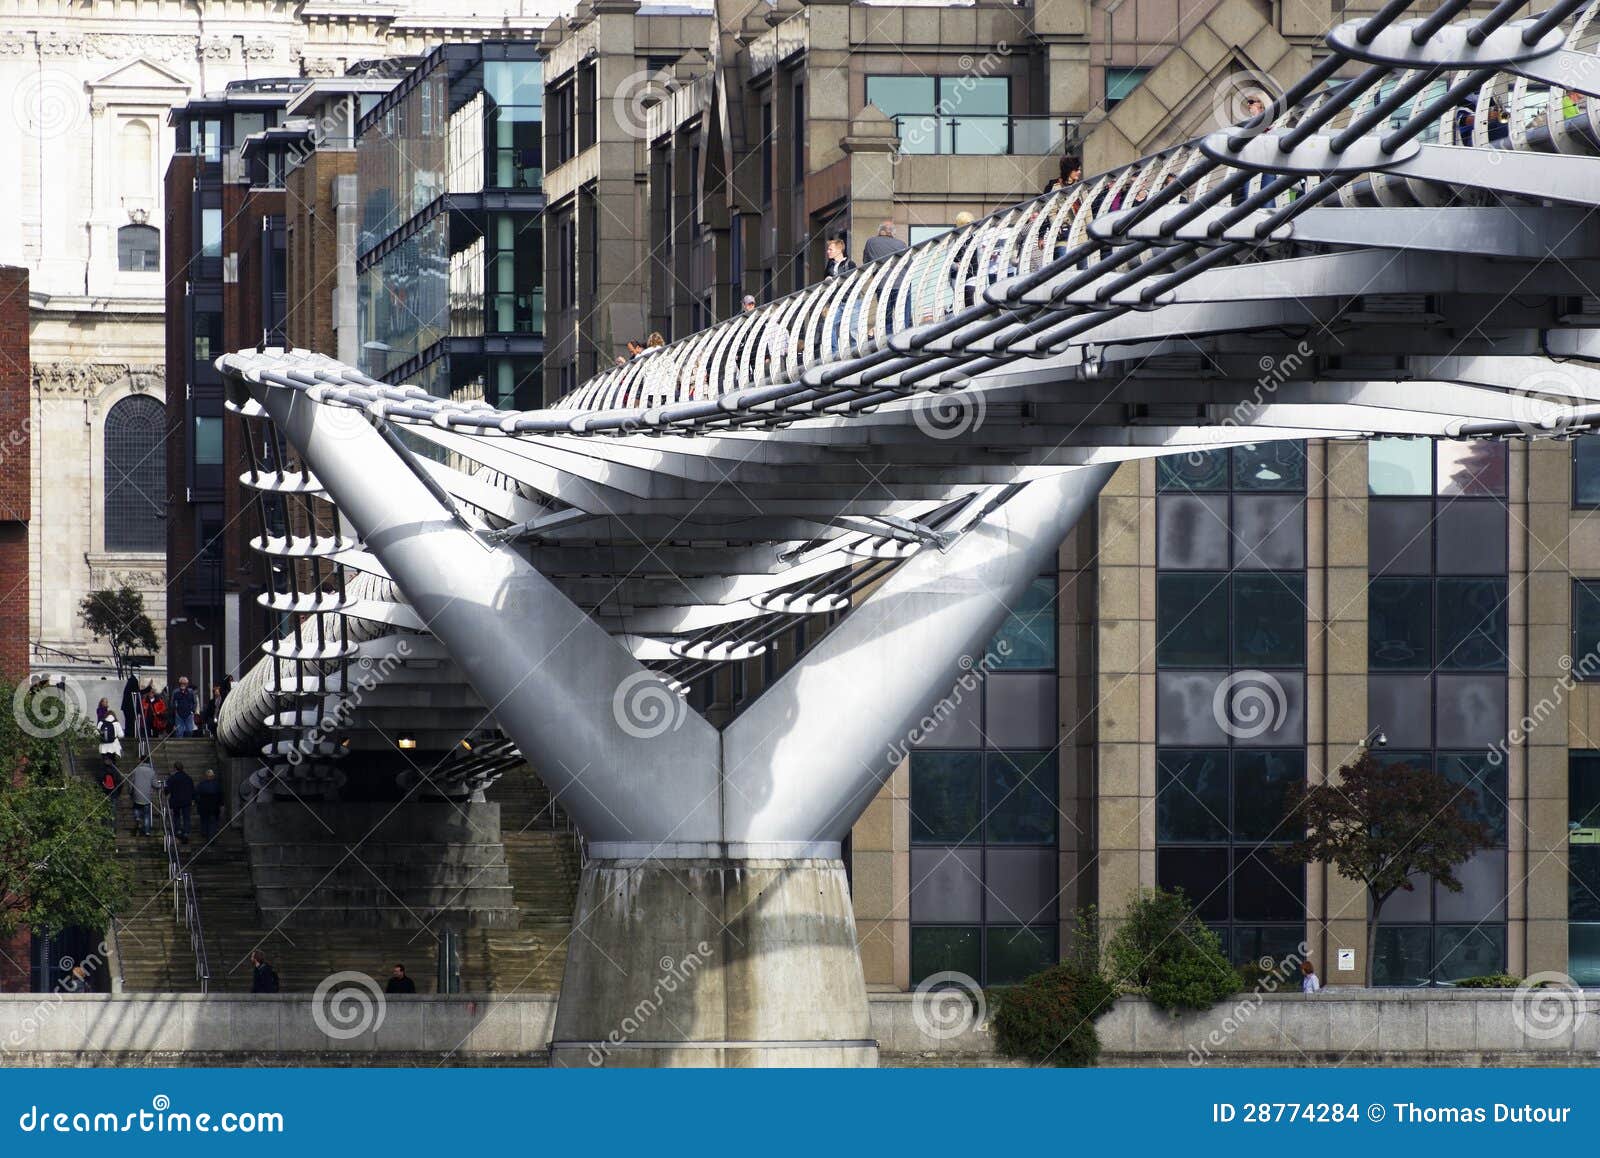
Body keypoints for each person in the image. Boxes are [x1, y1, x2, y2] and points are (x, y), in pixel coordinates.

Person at [165, 761, 195, 843]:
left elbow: (167, 789)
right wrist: (193, 799)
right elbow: (192, 790)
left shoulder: (172, 778)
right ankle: (186, 832)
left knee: (176, 816)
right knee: (186, 817)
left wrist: (165, 793)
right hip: (186, 800)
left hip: (176, 800)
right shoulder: (188, 778)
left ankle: (178, 830)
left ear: (175, 768)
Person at [128, 758, 157, 837]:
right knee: (147, 815)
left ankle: (137, 817)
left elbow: (131, 782)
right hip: (147, 795)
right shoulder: (152, 772)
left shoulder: (136, 770)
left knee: (136, 807)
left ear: (141, 761)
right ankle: (147, 831)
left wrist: (130, 791)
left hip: (137, 794)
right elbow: (155, 784)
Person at [195, 769, 224, 840]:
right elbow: (220, 796)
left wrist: (198, 802)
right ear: (213, 776)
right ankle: (211, 837)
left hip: (203, 807)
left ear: (206, 776)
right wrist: (221, 804)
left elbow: (196, 795)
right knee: (212, 822)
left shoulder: (201, 785)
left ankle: (204, 833)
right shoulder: (216, 785)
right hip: (213, 808)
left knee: (204, 821)